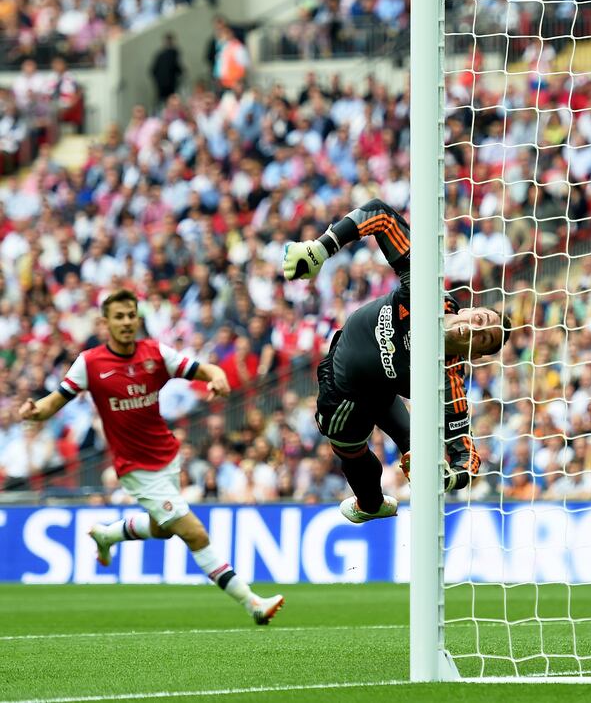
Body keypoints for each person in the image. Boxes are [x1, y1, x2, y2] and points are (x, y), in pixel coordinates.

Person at [17, 289, 285, 624]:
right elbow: (54, 402)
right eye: (119, 317)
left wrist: (217, 377)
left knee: (162, 529)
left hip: (167, 455)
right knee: (195, 533)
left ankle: (107, 534)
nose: (126, 322)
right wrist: (34, 410)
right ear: (106, 323)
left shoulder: (155, 353)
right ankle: (252, 603)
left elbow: (203, 369)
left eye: (131, 315)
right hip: (136, 468)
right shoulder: (90, 363)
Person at [282, 199, 506, 523]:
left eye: (483, 338)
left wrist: (447, 479)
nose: (476, 328)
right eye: (482, 319)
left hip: (376, 393)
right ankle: (370, 505)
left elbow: (468, 459)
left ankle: (411, 472)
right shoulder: (425, 290)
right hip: (344, 392)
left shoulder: (449, 379)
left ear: (476, 354)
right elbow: (381, 216)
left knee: (421, 451)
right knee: (356, 459)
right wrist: (321, 248)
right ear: (470, 310)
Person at [150, 33, 184, 103]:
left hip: (161, 85)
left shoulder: (159, 54)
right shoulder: (173, 52)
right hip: (170, 84)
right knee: (171, 102)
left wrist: (158, 82)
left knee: (162, 102)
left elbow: (153, 70)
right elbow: (175, 66)